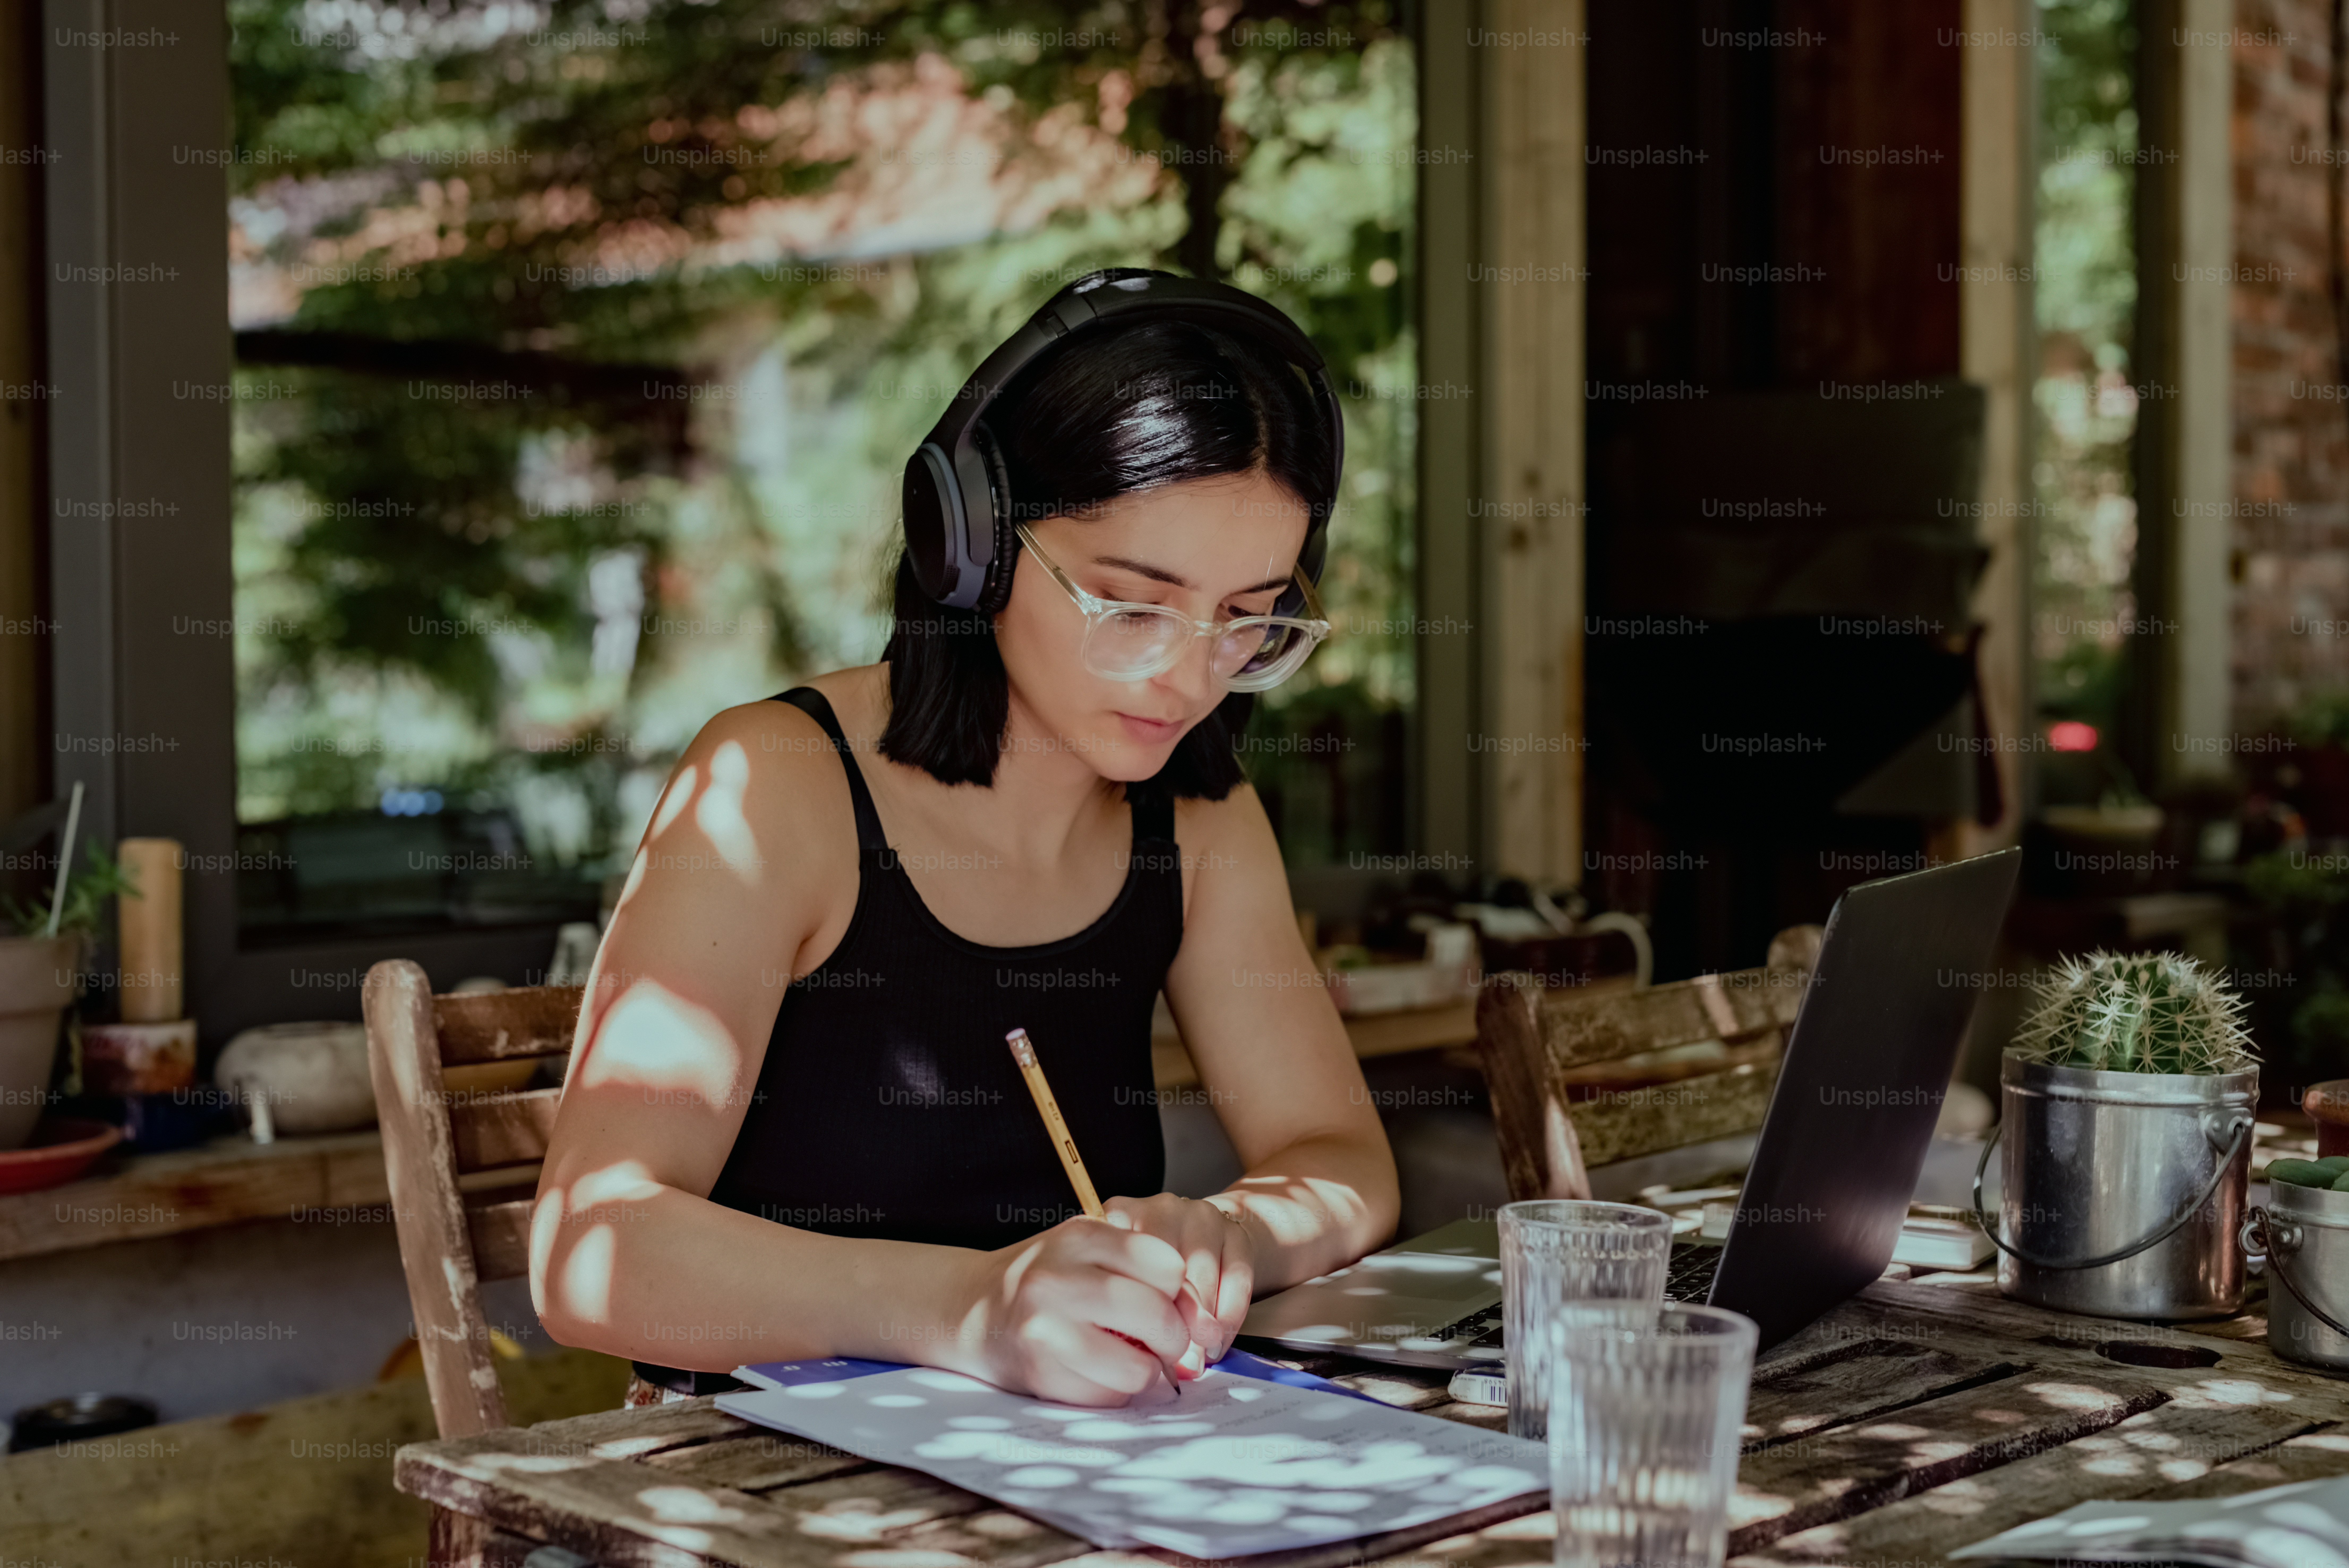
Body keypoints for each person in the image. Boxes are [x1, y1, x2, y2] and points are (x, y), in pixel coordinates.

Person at [530, 269, 1400, 1410]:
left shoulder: (1198, 817)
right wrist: (972, 1309)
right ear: (972, 543)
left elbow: (1339, 1155)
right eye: (1131, 603)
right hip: (762, 1472)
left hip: (1074, 1466)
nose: (1192, 672)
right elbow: (593, 1252)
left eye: (1248, 615)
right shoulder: (772, 786)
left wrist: (1225, 1234)